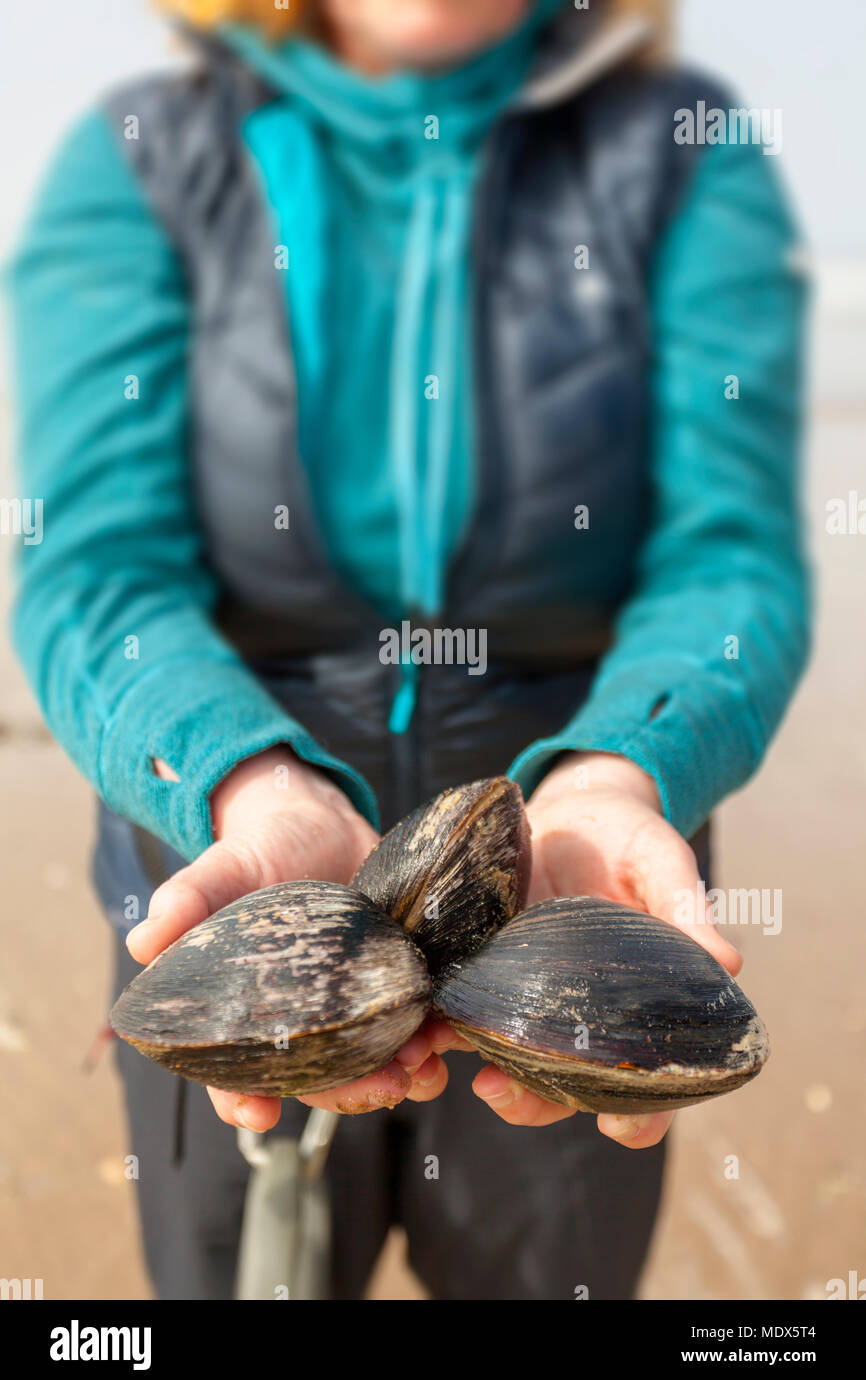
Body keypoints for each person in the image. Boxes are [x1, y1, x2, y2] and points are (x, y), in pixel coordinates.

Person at [8, 0, 809, 1299]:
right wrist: (237, 774)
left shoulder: (681, 151)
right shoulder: (149, 153)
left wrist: (622, 764)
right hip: (232, 871)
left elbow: (729, 560)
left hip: (569, 878)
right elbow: (96, 565)